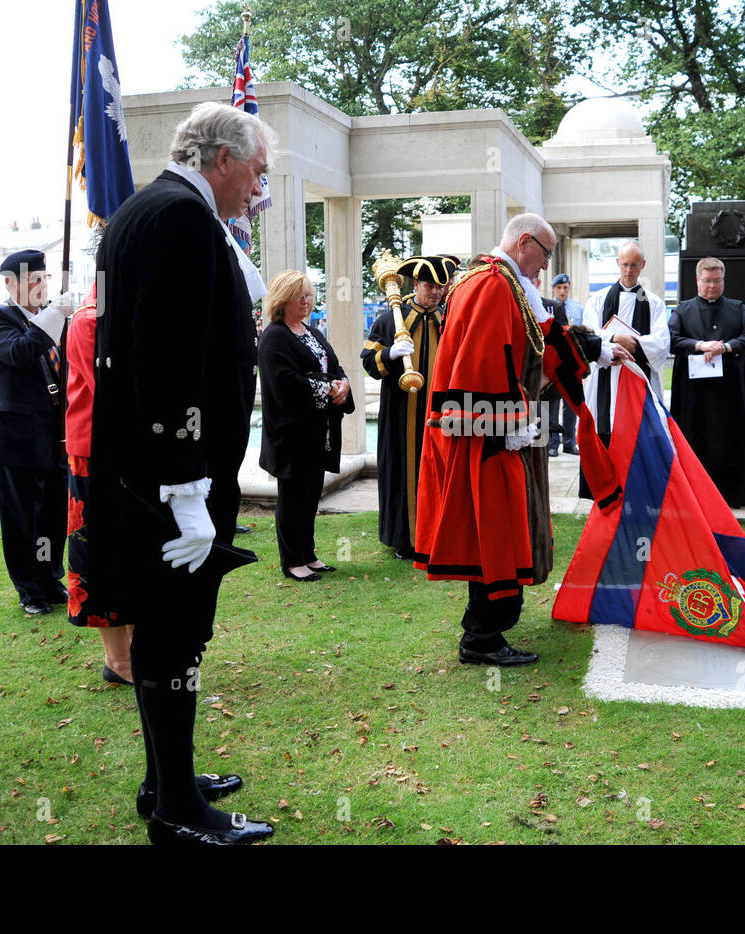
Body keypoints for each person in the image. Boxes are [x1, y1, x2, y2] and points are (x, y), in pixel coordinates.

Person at [88, 101, 276, 845]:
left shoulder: (143, 210)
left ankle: (164, 778)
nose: (257, 190)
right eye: (256, 173)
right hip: (167, 481)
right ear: (221, 158)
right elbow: (165, 365)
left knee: (164, 634)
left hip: (146, 474)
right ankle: (176, 812)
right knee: (172, 636)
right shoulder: (181, 219)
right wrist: (187, 487)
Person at [413, 213, 625, 667]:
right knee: (495, 533)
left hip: (501, 431)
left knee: (500, 532)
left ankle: (486, 628)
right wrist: (506, 425)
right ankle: (483, 638)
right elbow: (482, 360)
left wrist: (599, 350)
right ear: (525, 242)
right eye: (545, 255)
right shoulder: (492, 284)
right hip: (489, 437)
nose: (545, 267)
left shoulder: (503, 281)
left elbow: (540, 341)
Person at [0, 250, 67, 616]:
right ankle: (28, 589)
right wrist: (53, 316)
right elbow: (20, 352)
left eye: (44, 279)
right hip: (16, 437)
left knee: (52, 514)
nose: (41, 286)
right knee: (21, 518)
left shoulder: (51, 319)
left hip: (52, 433)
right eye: (34, 280)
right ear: (10, 283)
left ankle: (48, 576)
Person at [261, 271, 354, 581]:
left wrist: (343, 384)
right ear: (282, 300)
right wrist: (330, 389)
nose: (306, 301)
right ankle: (292, 560)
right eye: (299, 295)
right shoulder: (274, 336)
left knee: (310, 494)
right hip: (291, 434)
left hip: (317, 432)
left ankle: (308, 554)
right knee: (292, 498)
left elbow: (333, 364)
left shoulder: (311, 331)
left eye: (309, 294)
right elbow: (286, 384)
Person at [360, 255, 454, 559]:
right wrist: (389, 354)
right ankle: (404, 538)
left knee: (437, 474)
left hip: (436, 415)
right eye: (430, 286)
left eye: (440, 287)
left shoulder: (447, 320)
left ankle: (437, 533)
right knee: (403, 473)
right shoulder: (391, 320)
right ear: (416, 284)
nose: (436, 293)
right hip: (402, 416)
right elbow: (368, 364)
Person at [63, 283, 131, 685]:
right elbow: (116, 392)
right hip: (96, 455)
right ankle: (119, 662)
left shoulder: (115, 312)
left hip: (121, 454)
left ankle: (134, 653)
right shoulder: (91, 319)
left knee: (130, 556)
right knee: (100, 558)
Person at [668, 256, 745, 507]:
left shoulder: (738, 308)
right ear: (698, 280)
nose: (712, 286)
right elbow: (672, 340)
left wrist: (725, 347)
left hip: (729, 388)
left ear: (723, 280)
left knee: (730, 438)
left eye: (717, 281)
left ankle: (732, 495)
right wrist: (700, 345)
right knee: (695, 437)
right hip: (693, 392)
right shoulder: (682, 310)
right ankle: (694, 496)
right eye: (707, 281)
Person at [580, 240, 669, 497]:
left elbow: (662, 343)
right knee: (603, 426)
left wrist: (635, 342)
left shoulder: (653, 303)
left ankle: (639, 491)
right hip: (605, 380)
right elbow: (588, 333)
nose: (628, 270)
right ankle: (603, 491)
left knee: (639, 432)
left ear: (643, 266)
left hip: (637, 378)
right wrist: (615, 339)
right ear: (617, 263)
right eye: (624, 264)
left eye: (634, 265)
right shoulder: (597, 300)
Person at [548, 272, 584, 455]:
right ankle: (553, 443)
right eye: (559, 288)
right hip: (555, 362)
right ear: (554, 289)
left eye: (565, 288)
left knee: (571, 405)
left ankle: (570, 442)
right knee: (553, 405)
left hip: (572, 362)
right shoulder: (548, 307)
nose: (562, 291)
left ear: (570, 288)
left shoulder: (578, 309)